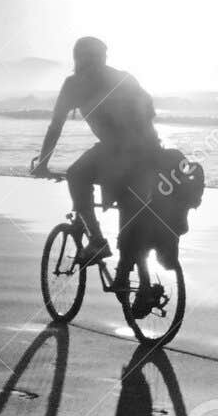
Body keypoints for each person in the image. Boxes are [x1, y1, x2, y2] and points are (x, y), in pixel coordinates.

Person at [30, 37, 161, 312]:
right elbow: (150, 114)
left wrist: (43, 164)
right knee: (130, 212)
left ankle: (97, 241)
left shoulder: (74, 84)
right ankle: (135, 281)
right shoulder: (123, 78)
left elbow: (55, 126)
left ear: (78, 58)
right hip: (148, 154)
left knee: (77, 174)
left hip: (119, 151)